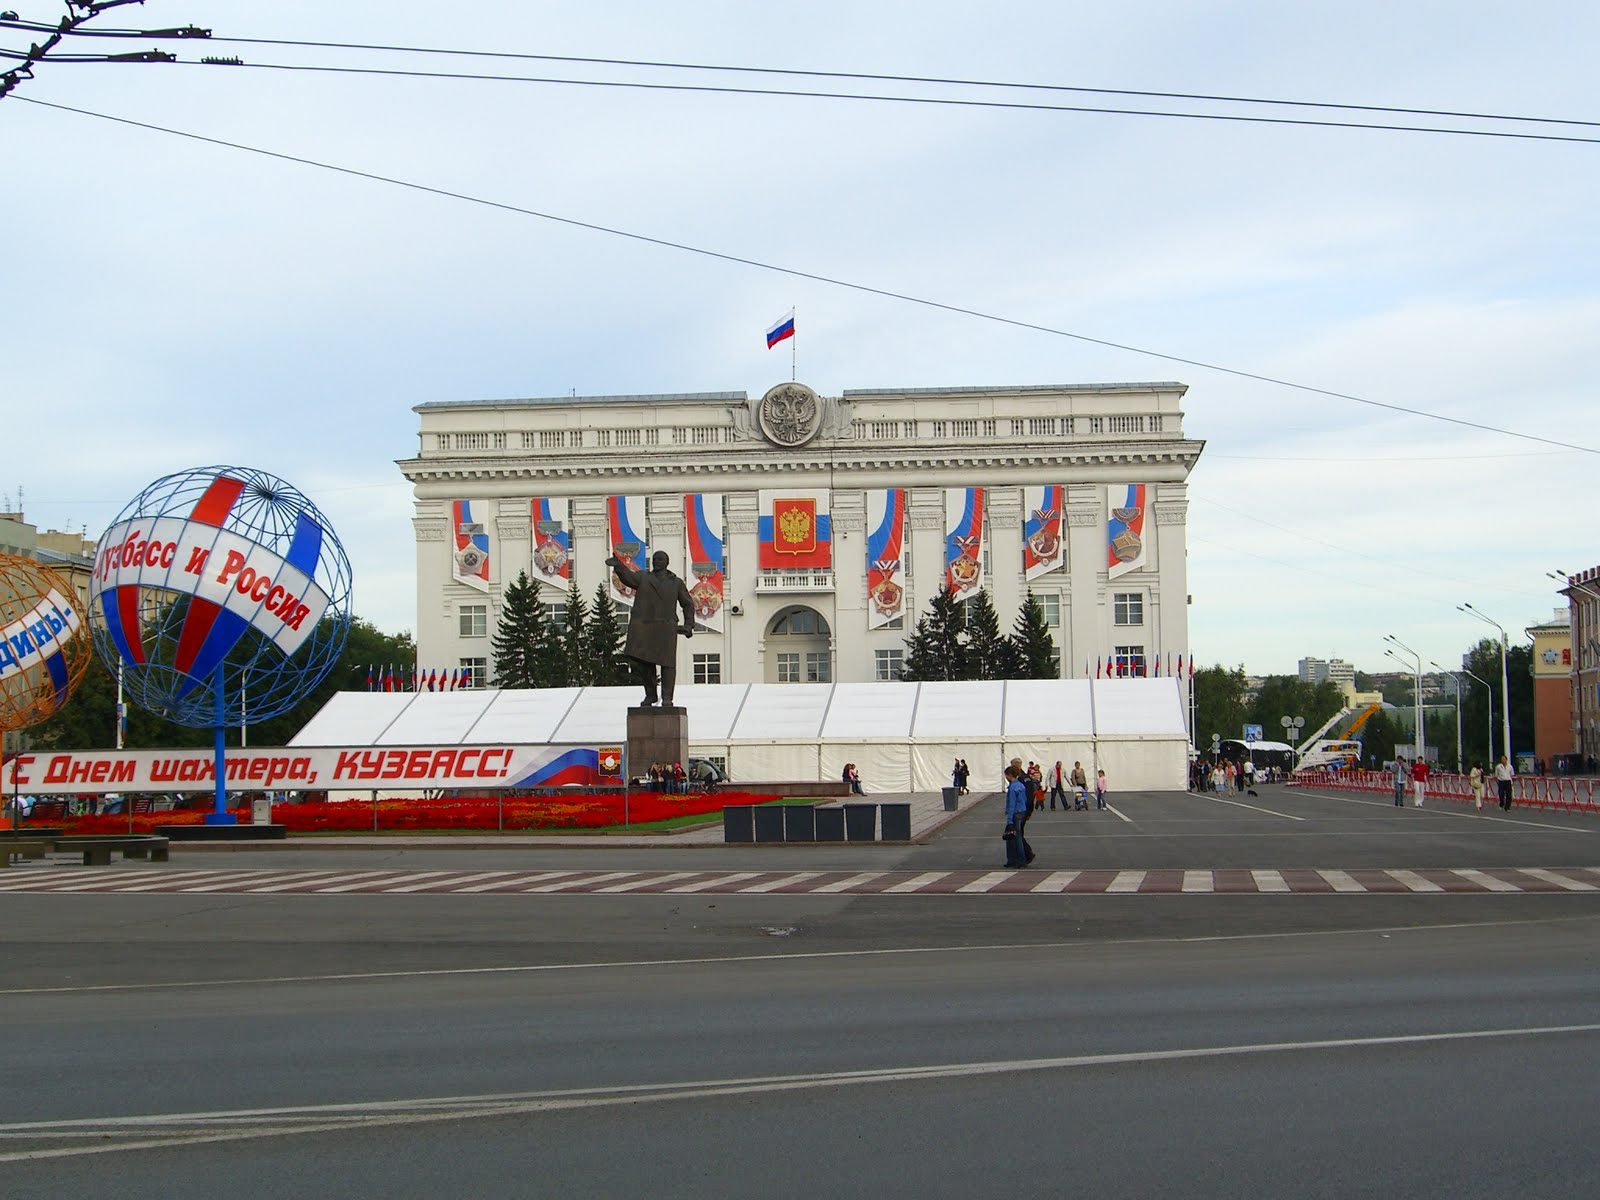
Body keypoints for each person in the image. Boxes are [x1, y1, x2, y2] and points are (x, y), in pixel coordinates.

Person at [605, 550, 695, 707]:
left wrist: (689, 624)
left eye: (660, 559)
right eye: (654, 559)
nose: (656, 562)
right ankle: (650, 695)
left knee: (668, 665)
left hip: (666, 627)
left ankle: (667, 698)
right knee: (646, 663)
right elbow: (629, 578)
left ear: (667, 562)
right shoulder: (643, 577)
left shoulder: (676, 582)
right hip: (645, 626)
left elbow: (687, 603)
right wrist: (618, 565)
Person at [1003, 765, 1031, 868]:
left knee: (1013, 837)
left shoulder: (1012, 788)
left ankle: (1017, 859)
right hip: (1022, 811)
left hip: (1015, 813)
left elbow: (1012, 804)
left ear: (1010, 775)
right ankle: (1016, 859)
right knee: (1016, 836)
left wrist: (1009, 820)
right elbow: (1025, 800)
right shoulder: (1021, 785)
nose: (1006, 778)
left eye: (1006, 776)